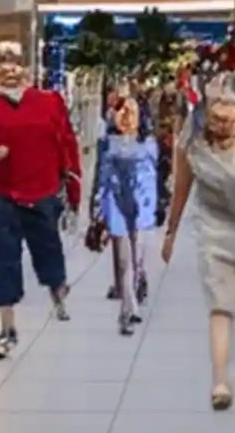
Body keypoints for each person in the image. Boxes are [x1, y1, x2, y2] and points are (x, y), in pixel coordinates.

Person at [161, 72, 235, 411]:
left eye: (228, 120)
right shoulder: (193, 143)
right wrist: (170, 232)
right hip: (213, 229)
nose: (221, 125)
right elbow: (182, 186)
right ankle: (219, 380)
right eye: (215, 118)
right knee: (219, 303)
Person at [0, 43, 82, 360]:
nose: (7, 70)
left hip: (42, 192)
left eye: (13, 63)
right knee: (6, 258)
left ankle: (57, 287)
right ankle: (7, 328)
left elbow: (67, 144)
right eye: (0, 64)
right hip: (2, 194)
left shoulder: (49, 103)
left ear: (25, 68)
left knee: (48, 250)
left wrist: (74, 189)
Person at [94, 93, 158, 336]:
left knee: (137, 258)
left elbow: (157, 175)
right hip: (115, 201)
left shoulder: (148, 143)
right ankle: (127, 310)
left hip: (142, 204)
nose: (126, 116)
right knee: (124, 260)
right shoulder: (107, 142)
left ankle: (139, 281)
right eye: (121, 110)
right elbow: (99, 176)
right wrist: (96, 208)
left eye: (132, 110)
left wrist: (160, 204)